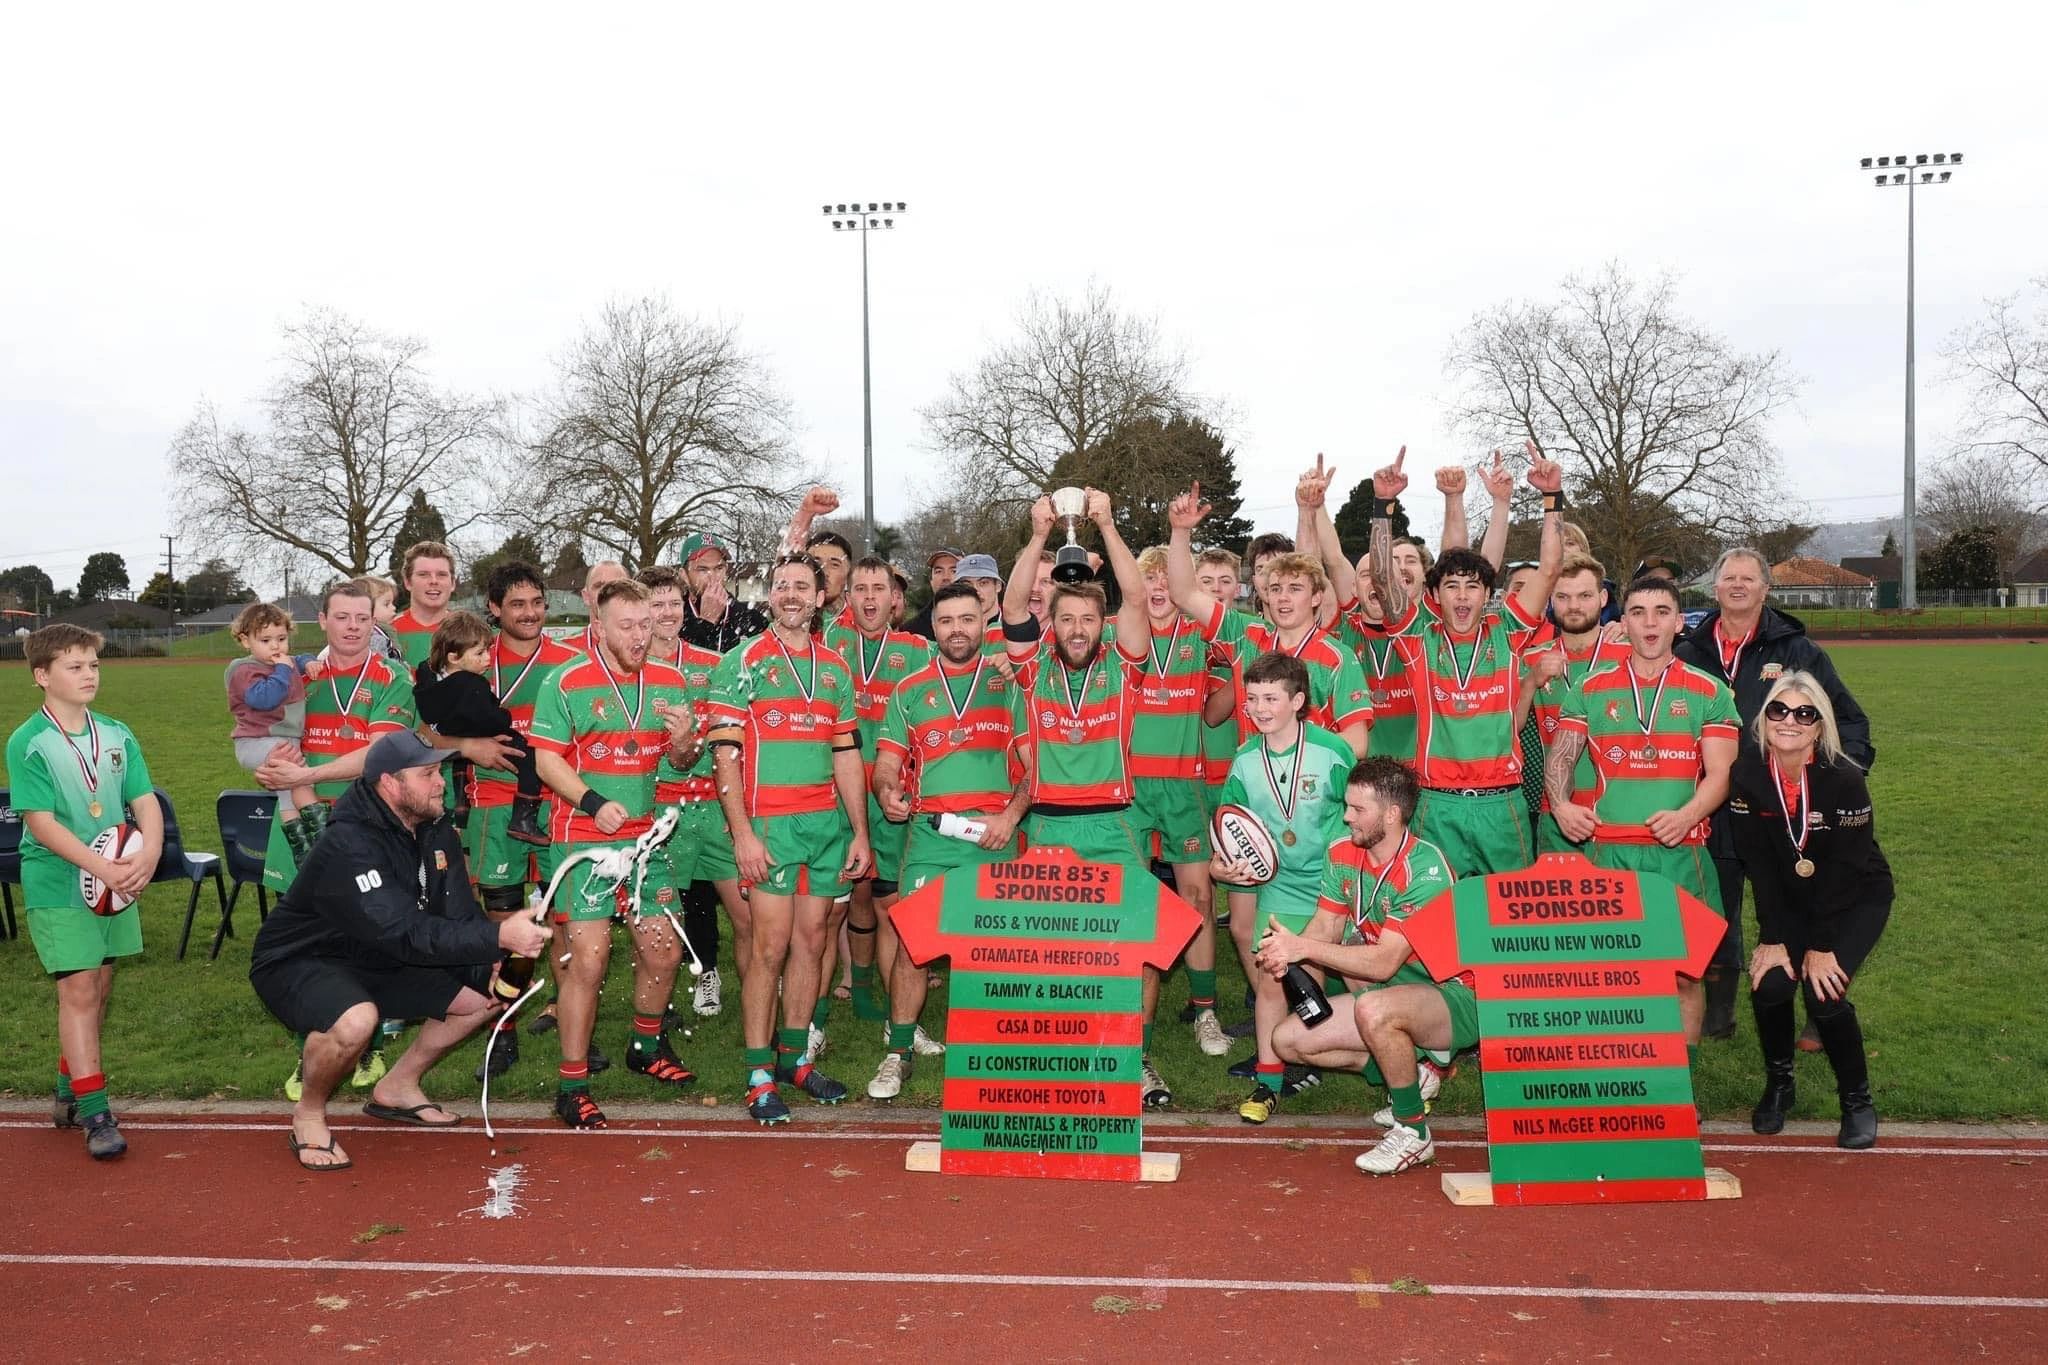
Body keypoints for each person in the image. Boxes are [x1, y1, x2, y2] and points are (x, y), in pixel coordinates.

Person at [248, 731, 552, 1170]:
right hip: (302, 959)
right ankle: (309, 1113)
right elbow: (402, 931)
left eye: (439, 772)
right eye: (427, 774)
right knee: (357, 1021)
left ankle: (397, 1087)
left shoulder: (433, 825)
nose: (441, 782)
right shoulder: (350, 842)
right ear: (390, 784)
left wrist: (494, 963)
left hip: (379, 952)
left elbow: (458, 914)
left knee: (495, 992)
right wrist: (497, 937)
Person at [1003, 490, 1178, 1104]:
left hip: (1115, 826)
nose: (1077, 630)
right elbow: (1011, 605)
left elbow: (1135, 596)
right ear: (1053, 622)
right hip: (1049, 826)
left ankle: (1136, 1056)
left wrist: (1106, 520)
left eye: (1087, 620)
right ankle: (1066, 1057)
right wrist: (1035, 537)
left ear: (1101, 625)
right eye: (1067, 619)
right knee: (1055, 953)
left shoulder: (1125, 665)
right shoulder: (1030, 667)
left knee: (1142, 949)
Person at [1675, 547, 1874, 1042]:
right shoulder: (1689, 650)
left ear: (1767, 589)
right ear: (1714, 587)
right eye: (1728, 578)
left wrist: (1833, 783)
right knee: (1714, 911)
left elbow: (1849, 722)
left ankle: (1818, 1008)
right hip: (1715, 805)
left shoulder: (1798, 651)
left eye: (1748, 579)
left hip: (1784, 810)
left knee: (1800, 908)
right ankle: (1719, 1012)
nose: (1737, 586)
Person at [530, 578, 703, 1128]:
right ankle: (571, 1084)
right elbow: (545, 760)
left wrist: (683, 744)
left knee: (663, 952)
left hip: (647, 840)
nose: (637, 635)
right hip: (583, 840)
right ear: (599, 627)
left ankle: (645, 1048)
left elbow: (677, 764)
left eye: (645, 624)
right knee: (590, 957)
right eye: (625, 626)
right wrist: (591, 799)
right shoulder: (565, 681)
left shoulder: (671, 680)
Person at [706, 552, 869, 1124]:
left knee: (813, 942)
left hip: (825, 827)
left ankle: (794, 1058)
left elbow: (847, 757)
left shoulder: (835, 671)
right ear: (769, 596)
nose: (791, 594)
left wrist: (860, 833)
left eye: (803, 585)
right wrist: (743, 835)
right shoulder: (742, 662)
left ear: (821, 597)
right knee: (768, 948)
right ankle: (757, 1071)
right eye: (782, 586)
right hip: (769, 827)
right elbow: (724, 757)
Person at [1545, 575, 1739, 1048]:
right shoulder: (1591, 688)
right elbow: (1562, 756)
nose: (1649, 624)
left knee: (1682, 977)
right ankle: (1622, 1075)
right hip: (1609, 854)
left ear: (1678, 622)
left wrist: (1687, 816)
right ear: (1623, 621)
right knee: (1608, 977)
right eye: (1637, 613)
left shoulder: (1708, 690)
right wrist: (1561, 805)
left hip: (1679, 853)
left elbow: (1721, 775)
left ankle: (1679, 1089)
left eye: (1661, 613)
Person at [865, 581, 1033, 1099]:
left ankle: (995, 1052)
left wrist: (1010, 817)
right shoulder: (910, 688)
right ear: (931, 626)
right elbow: (887, 766)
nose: (957, 630)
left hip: (993, 833)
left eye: (966, 619)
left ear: (984, 620)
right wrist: (888, 790)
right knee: (915, 947)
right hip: (932, 834)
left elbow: (1034, 769)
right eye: (946, 621)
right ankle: (897, 1052)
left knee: (996, 948)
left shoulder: (1011, 683)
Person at [1260, 757, 1466, 1177]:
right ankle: (1418, 1070)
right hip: (1392, 988)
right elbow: (1326, 926)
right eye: (1347, 806)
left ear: (1391, 815)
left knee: (1373, 1003)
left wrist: (1302, 948)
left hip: (1454, 996)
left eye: (1358, 810)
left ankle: (1413, 1131)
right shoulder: (1343, 851)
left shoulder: (1425, 870)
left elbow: (1383, 962)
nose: (1346, 817)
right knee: (1288, 1041)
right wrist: (1286, 948)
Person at [1367, 445, 1565, 876]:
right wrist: (1383, 506)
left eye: (1473, 586)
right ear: (1435, 596)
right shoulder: (1418, 639)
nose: (1462, 595)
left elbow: (1550, 569)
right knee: (1437, 920)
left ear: (1488, 594)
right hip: (1437, 803)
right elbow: (1383, 579)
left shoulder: (1508, 631)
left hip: (1501, 802)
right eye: (1452, 586)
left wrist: (1553, 498)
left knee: (1509, 918)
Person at [7, 624, 164, 1161]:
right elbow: (42, 822)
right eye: (74, 666)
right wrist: (104, 865)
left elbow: (145, 802)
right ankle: (96, 1114)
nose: (88, 674)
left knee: (99, 984)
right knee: (76, 991)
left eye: (93, 665)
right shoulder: (29, 742)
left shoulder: (118, 733)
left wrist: (146, 855)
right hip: (58, 880)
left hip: (113, 879)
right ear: (42, 676)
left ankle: (68, 1086)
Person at [1726, 674, 1891, 1149]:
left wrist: (1820, 948)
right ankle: (1780, 1086)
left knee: (1824, 991)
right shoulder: (1748, 775)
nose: (1790, 721)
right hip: (1792, 898)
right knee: (1771, 983)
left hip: (1857, 895)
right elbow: (1758, 863)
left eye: (1804, 713)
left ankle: (1857, 1101)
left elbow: (1847, 870)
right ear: (1764, 720)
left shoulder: (1844, 777)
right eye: (1779, 710)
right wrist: (1773, 937)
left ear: (1819, 726)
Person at [1208, 653, 1353, 1123]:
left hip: (1335, 880)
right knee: (1273, 979)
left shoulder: (1333, 752)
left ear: (1298, 701)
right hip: (1282, 882)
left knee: (1347, 975)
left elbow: (1362, 813)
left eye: (1271, 698)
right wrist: (1222, 867)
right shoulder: (1245, 759)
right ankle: (1269, 1081)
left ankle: (1400, 1072)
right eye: (1251, 699)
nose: (1258, 708)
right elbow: (1229, 826)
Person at [465, 560, 581, 1080]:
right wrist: (470, 745)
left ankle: (568, 1021)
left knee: (565, 922)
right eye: (517, 604)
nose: (530, 613)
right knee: (502, 924)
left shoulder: (569, 660)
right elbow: (432, 731)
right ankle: (502, 1028)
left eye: (536, 603)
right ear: (494, 609)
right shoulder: (475, 663)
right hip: (493, 806)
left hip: (556, 809)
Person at [1125, 544, 1237, 1057]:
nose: (1159, 590)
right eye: (1150, 581)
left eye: (1168, 582)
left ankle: (1205, 1009)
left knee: (1197, 898)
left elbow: (1215, 713)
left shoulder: (1201, 636)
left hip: (1182, 784)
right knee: (1128, 897)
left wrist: (1241, 671)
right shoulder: (1117, 633)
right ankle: (1122, 1002)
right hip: (1125, 787)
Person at [1165, 487, 1371, 758]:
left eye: (1295, 589)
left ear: (1316, 596)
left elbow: (1358, 743)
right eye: (1275, 589)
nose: (1283, 598)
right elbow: (1183, 593)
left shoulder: (1338, 657)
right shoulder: (1246, 635)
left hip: (1313, 792)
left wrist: (1288, 748)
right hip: (1256, 791)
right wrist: (1180, 532)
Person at [822, 557, 935, 1044]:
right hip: (836, 793)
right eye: (859, 589)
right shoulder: (828, 641)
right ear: (847, 598)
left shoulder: (917, 650)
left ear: (895, 599)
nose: (869, 598)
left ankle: (898, 1018)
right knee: (830, 908)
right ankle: (819, 1013)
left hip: (890, 797)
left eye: (878, 589)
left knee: (893, 905)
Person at [643, 565, 738, 1024]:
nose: (666, 612)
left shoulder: (712, 664)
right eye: (656, 603)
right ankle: (660, 1004)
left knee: (742, 907)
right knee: (662, 912)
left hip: (713, 802)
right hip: (659, 806)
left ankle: (719, 975)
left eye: (674, 604)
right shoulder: (632, 669)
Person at [1519, 554, 1628, 853]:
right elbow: (1509, 728)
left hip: (1618, 811)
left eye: (1584, 595)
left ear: (1603, 597)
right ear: (1551, 600)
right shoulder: (1531, 659)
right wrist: (1530, 681)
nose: (1574, 606)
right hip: (1556, 808)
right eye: (1563, 597)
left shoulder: (1630, 656)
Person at [412, 610, 547, 847]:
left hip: (449, 738)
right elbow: (491, 718)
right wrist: (504, 716)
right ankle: (524, 817)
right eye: (480, 653)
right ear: (454, 656)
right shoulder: (472, 683)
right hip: (482, 736)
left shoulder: (430, 678)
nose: (487, 658)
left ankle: (462, 810)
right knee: (531, 759)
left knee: (460, 767)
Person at [224, 602, 324, 865]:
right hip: (255, 742)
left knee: (287, 793)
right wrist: (284, 669)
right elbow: (265, 699)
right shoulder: (241, 669)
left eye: (281, 638)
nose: (276, 647)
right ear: (246, 641)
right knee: (300, 778)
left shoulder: (285, 662)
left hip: (283, 741)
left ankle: (304, 852)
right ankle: (324, 837)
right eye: (266, 640)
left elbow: (298, 660)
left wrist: (308, 661)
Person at [677, 532, 768, 655]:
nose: (713, 577)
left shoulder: (749, 616)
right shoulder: (674, 616)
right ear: (684, 575)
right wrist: (706, 622)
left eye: (719, 568)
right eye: (703, 570)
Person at [388, 542, 458, 668]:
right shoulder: (387, 633)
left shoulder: (471, 633)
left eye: (441, 575)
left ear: (453, 583)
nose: (433, 581)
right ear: (408, 582)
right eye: (423, 575)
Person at [901, 547, 962, 640]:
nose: (946, 577)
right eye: (939, 571)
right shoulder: (910, 632)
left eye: (954, 571)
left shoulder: (987, 627)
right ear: (931, 580)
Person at [359, 575, 407, 664]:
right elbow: (381, 669)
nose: (393, 608)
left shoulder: (383, 632)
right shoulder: (374, 638)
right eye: (386, 604)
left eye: (392, 603)